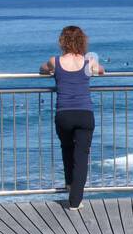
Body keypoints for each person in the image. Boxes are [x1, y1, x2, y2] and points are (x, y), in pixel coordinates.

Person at [40, 26, 103, 210]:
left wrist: (50, 71)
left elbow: (42, 69)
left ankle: (69, 183)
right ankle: (75, 201)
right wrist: (94, 66)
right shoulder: (88, 61)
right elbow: (101, 71)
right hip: (84, 114)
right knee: (81, 156)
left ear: (63, 42)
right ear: (82, 41)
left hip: (64, 114)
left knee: (67, 148)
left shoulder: (55, 61)